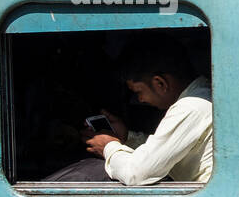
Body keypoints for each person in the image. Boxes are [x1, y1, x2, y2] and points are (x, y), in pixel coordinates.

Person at [83, 34, 213, 184]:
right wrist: (127, 138)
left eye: (139, 92)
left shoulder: (190, 107)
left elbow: (137, 174)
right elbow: (163, 152)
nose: (140, 100)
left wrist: (108, 147)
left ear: (160, 83)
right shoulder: (202, 93)